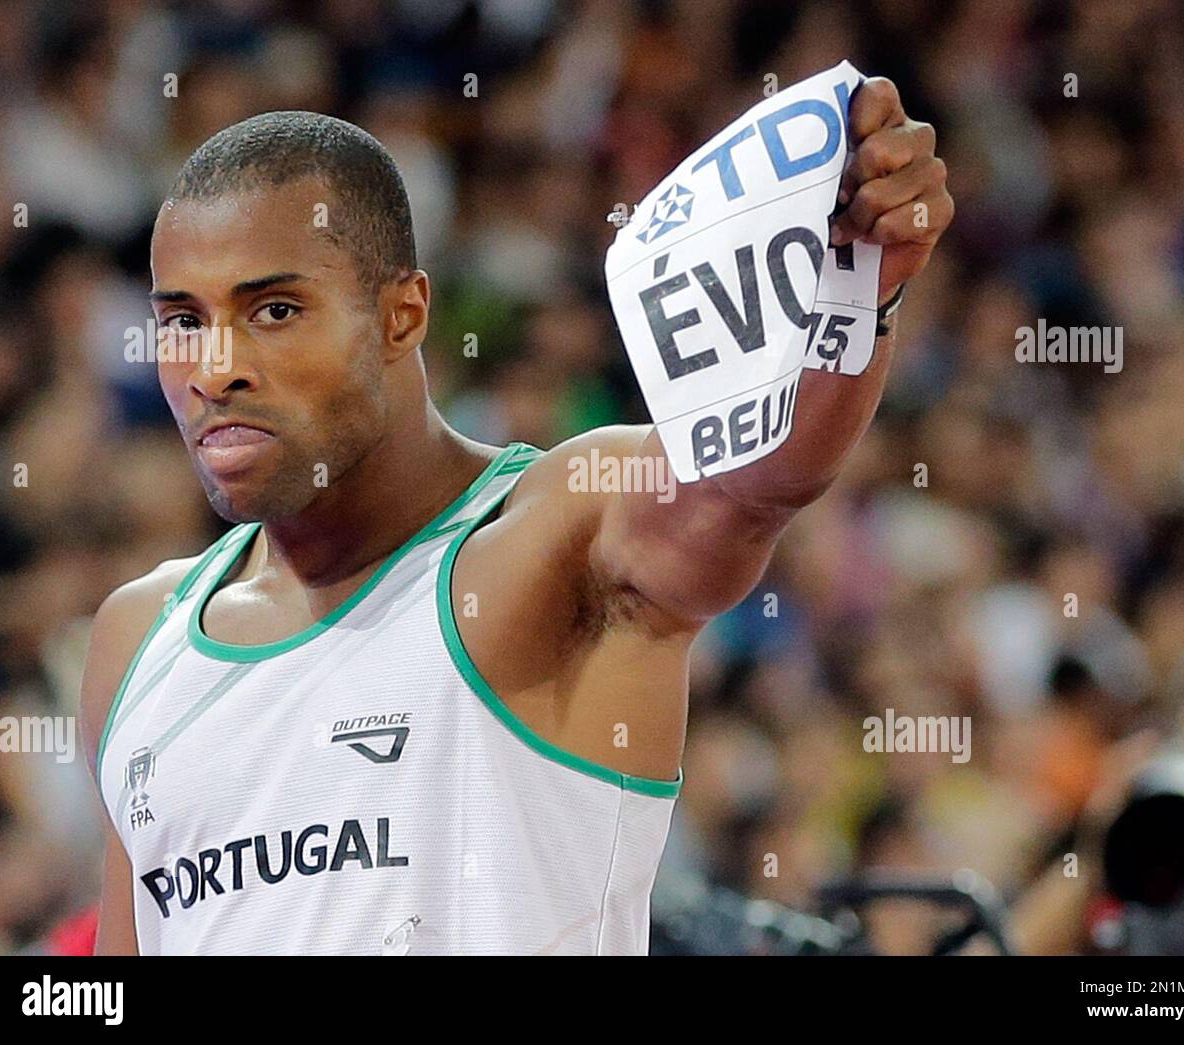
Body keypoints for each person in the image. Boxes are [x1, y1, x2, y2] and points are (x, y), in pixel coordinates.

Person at [78, 77, 953, 954]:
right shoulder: (136, 641)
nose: (213, 367)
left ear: (402, 315)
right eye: (183, 320)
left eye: (274, 310)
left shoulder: (553, 533)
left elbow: (755, 477)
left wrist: (852, 274)